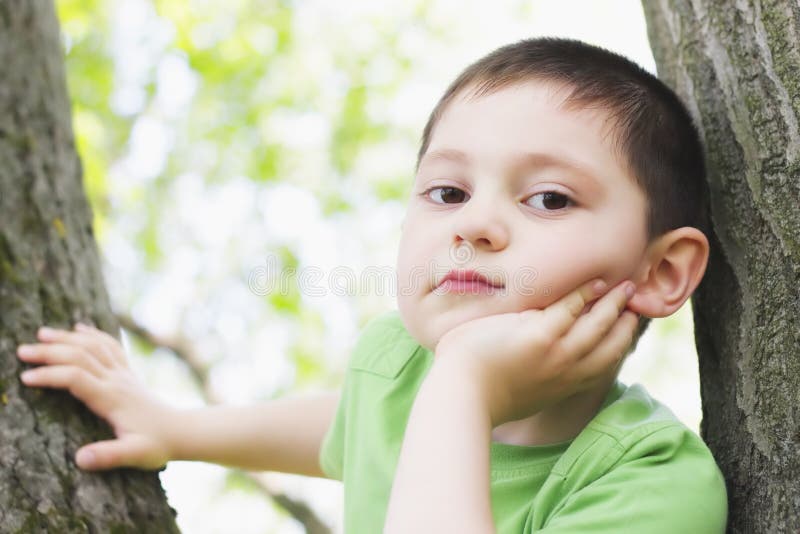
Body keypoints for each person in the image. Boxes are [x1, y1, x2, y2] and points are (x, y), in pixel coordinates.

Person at [16, 37, 728, 533]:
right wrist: (177, 429)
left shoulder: (653, 485)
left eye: (547, 199)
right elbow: (351, 421)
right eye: (447, 192)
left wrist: (466, 389)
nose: (475, 224)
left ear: (660, 272)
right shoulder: (400, 366)